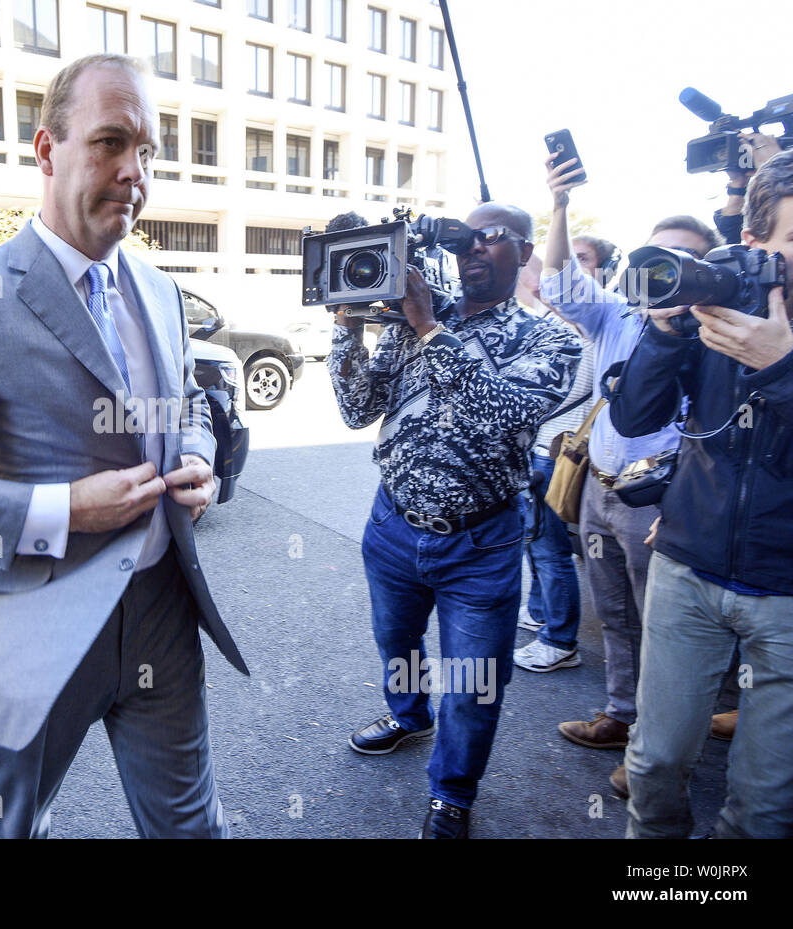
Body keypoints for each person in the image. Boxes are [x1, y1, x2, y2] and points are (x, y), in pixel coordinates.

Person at [0, 54, 247, 839]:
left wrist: (196, 453)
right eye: (110, 142)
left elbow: (189, 401)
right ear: (46, 150)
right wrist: (61, 510)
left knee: (192, 828)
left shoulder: (162, 291)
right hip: (36, 624)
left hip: (164, 612)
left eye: (149, 151)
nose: (135, 172)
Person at [330, 202, 582, 838]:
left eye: (490, 239)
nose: (471, 250)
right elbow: (358, 409)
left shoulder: (549, 339)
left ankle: (452, 795)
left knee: (471, 685)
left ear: (525, 253)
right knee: (398, 645)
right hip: (392, 527)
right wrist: (347, 326)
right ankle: (409, 715)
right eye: (461, 239)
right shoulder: (417, 312)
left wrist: (428, 330)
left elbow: (503, 414)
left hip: (480, 543)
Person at [610, 148, 793, 839]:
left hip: (789, 593)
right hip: (687, 570)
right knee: (655, 765)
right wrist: (664, 330)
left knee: (766, 805)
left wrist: (783, 367)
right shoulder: (714, 306)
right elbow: (631, 419)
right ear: (755, 245)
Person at [541, 152, 719, 796]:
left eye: (683, 259)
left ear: (706, 272)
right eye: (657, 256)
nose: (666, 271)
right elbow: (556, 279)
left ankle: (656, 751)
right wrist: (558, 205)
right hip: (601, 492)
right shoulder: (617, 314)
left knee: (669, 638)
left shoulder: (715, 335)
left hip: (663, 507)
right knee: (615, 617)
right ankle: (620, 716)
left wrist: (680, 508)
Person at [513, 261, 595, 673]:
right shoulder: (553, 321)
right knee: (534, 539)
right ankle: (539, 611)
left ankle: (560, 641)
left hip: (552, 451)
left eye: (583, 262)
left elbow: (562, 393)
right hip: (540, 448)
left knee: (550, 550)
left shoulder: (586, 330)